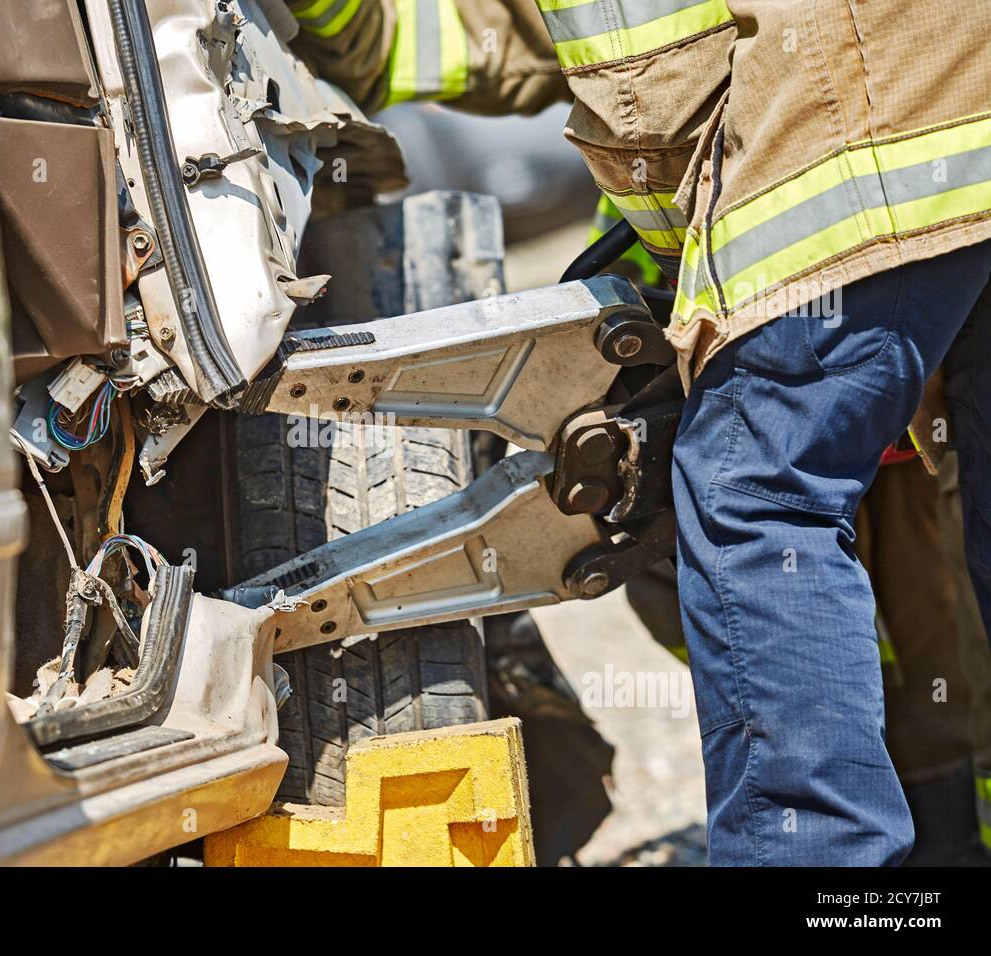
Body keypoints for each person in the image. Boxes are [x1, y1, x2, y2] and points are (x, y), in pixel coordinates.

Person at [287, 0, 991, 864]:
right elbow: (475, 36)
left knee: (751, 490)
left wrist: (702, 307)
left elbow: (646, 76)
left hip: (864, 147)